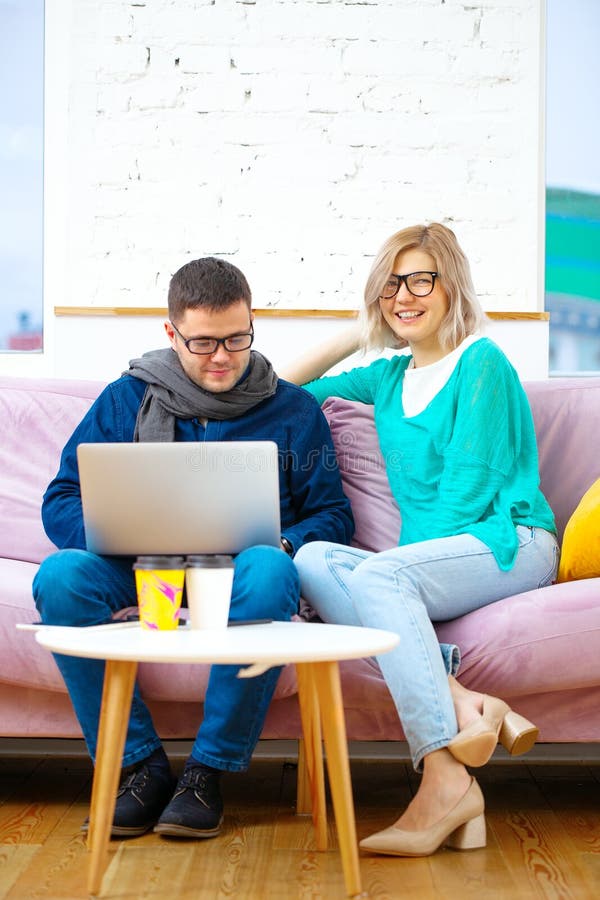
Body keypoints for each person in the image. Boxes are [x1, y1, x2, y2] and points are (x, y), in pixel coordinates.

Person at [33, 256, 353, 840]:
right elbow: (61, 498)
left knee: (271, 569)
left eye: (237, 338)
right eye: (203, 343)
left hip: (237, 575)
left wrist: (282, 539)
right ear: (171, 334)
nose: (223, 357)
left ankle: (206, 772)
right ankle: (139, 767)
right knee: (59, 578)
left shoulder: (293, 410)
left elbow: (333, 514)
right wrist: (115, 532)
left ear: (253, 324)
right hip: (135, 569)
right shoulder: (125, 399)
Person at [282, 223, 559, 857]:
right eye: (390, 284)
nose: (405, 295)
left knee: (380, 577)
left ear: (450, 284)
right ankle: (467, 701)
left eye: (419, 280)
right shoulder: (386, 378)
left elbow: (467, 497)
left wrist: (395, 581)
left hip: (508, 540)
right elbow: (283, 391)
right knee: (315, 557)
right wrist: (362, 327)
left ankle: (443, 780)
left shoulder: (481, 362)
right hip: (431, 564)